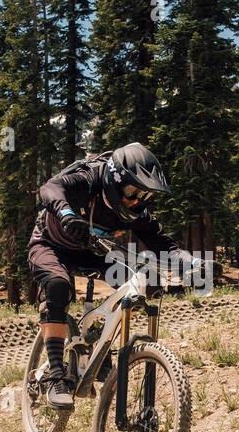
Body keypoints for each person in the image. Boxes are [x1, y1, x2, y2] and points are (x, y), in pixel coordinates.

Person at [27, 142, 206, 410]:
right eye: (133, 192)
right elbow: (50, 188)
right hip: (50, 244)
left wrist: (194, 262)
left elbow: (165, 245)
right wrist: (66, 215)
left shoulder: (135, 211)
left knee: (142, 281)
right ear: (114, 179)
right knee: (57, 285)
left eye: (145, 196)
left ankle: (100, 345)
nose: (137, 201)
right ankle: (56, 376)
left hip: (90, 251)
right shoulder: (89, 180)